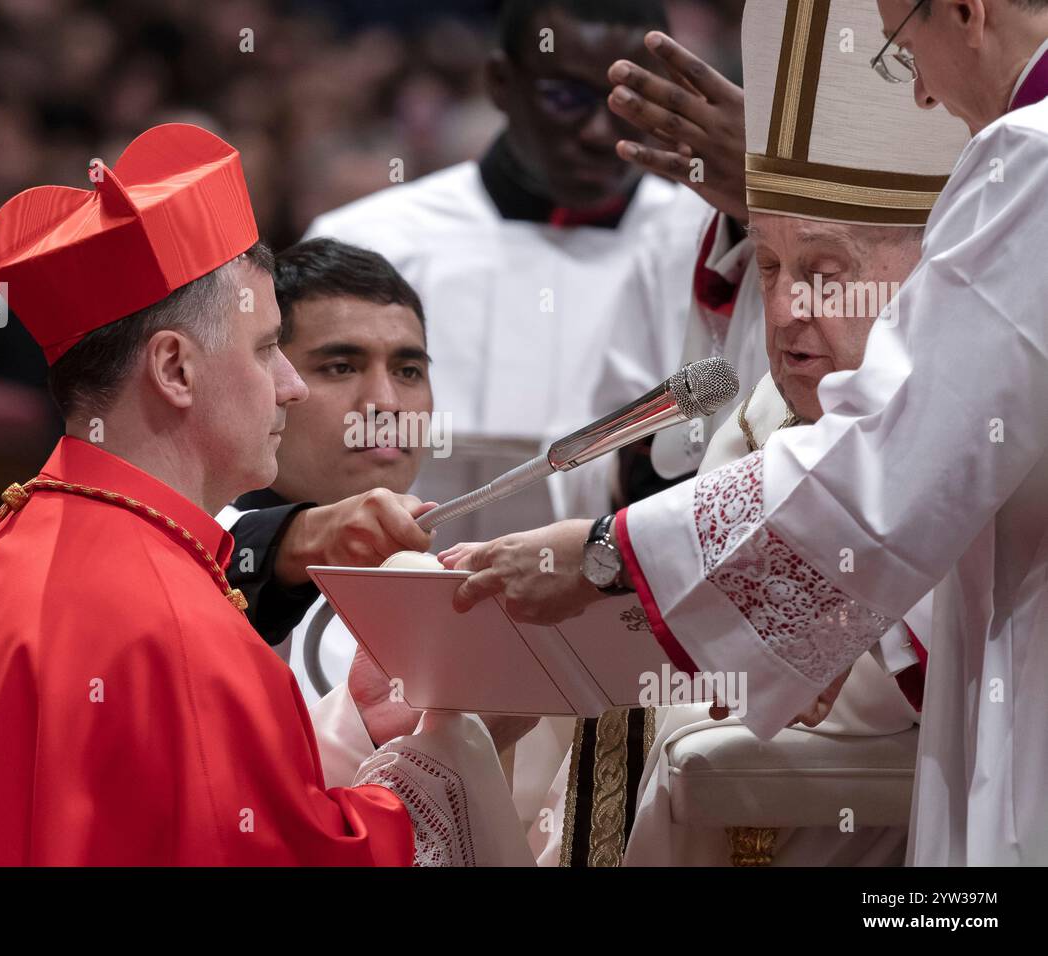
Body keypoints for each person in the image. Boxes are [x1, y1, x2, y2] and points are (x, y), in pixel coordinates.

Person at [443, 0, 1048, 865]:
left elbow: (888, 468)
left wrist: (603, 556)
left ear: (966, 10)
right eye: (770, 267)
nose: (915, 90)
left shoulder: (1029, 157)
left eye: (899, 43)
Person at [0, 124, 531, 866]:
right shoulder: (174, 620)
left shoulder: (12, 542)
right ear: (175, 369)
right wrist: (450, 750)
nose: (291, 385)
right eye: (266, 347)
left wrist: (361, 730)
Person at [305, 0, 711, 547]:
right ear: (501, 82)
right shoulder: (373, 239)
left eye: (632, 103)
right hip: (395, 580)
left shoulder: (706, 243)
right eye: (565, 97)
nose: (598, 131)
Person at [218, 237, 556, 853]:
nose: (385, 405)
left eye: (408, 371)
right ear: (275, 379)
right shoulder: (200, 556)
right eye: (341, 367)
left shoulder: (461, 580)